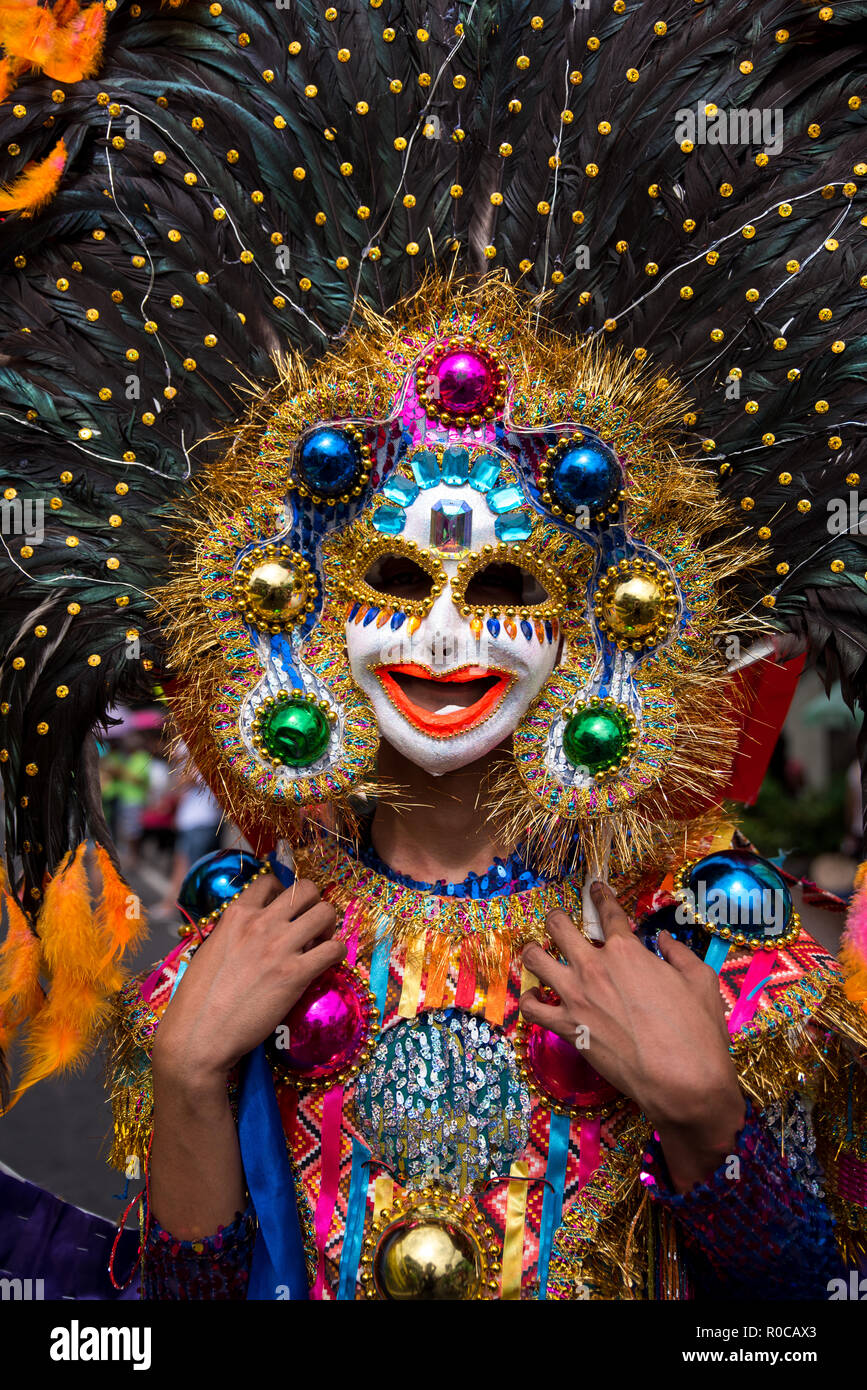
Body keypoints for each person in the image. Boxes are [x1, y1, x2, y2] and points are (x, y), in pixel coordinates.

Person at [1, 1, 866, 1305]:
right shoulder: (244, 944)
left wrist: (702, 1113)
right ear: (303, 608)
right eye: (392, 579)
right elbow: (163, 1319)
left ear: (602, 611)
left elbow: (793, 1320)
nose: (447, 631)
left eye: (507, 584)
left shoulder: (708, 938)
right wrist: (190, 1076)